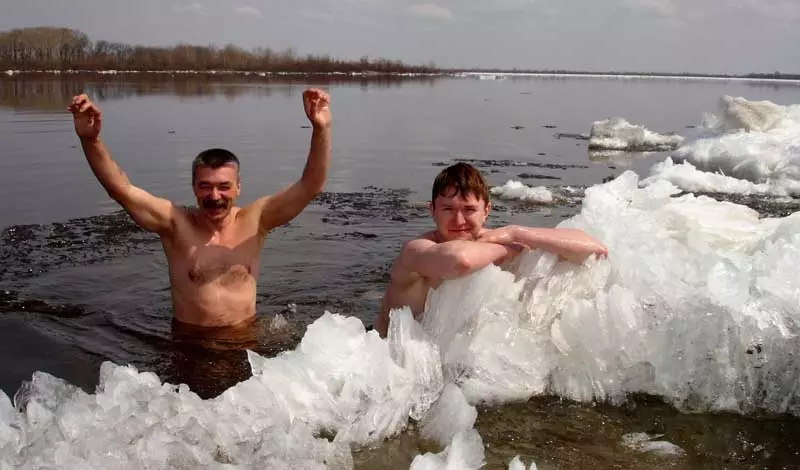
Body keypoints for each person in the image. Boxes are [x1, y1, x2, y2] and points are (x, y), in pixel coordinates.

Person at [67, 88, 331, 328]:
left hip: (245, 341)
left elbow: (310, 186)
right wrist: (91, 141)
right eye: (205, 186)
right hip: (191, 345)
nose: (214, 196)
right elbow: (121, 190)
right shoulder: (175, 223)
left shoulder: (257, 219)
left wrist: (321, 129)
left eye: (224, 186)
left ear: (238, 187)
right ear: (193, 187)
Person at [375, 162, 608, 338]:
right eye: (447, 208)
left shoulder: (503, 239)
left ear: (486, 210)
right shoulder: (415, 251)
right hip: (392, 365)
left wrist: (517, 233)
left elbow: (594, 250)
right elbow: (459, 261)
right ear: (432, 210)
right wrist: (507, 250)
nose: (458, 220)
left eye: (469, 209)